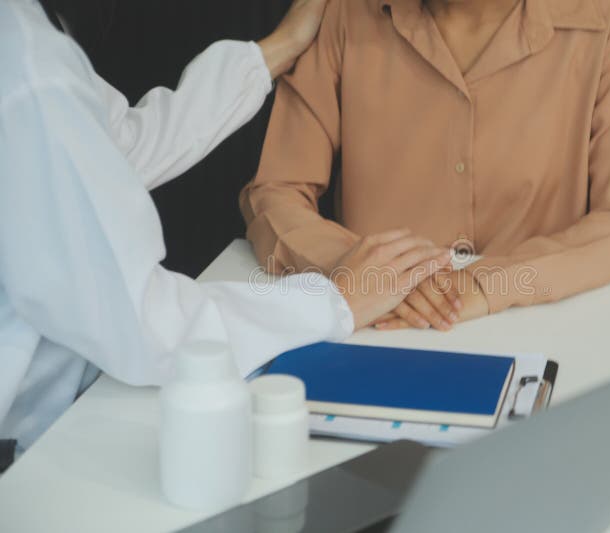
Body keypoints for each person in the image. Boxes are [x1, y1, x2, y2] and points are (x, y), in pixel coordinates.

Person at [0, 0, 452, 462]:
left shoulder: (25, 47)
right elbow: (139, 323)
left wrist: (278, 48)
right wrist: (333, 301)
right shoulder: (27, 68)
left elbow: (112, 146)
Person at [240, 0, 610, 331]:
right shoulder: (347, 11)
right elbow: (276, 190)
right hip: (377, 333)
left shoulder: (608, 16)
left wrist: (491, 285)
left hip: (547, 327)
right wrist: (362, 272)